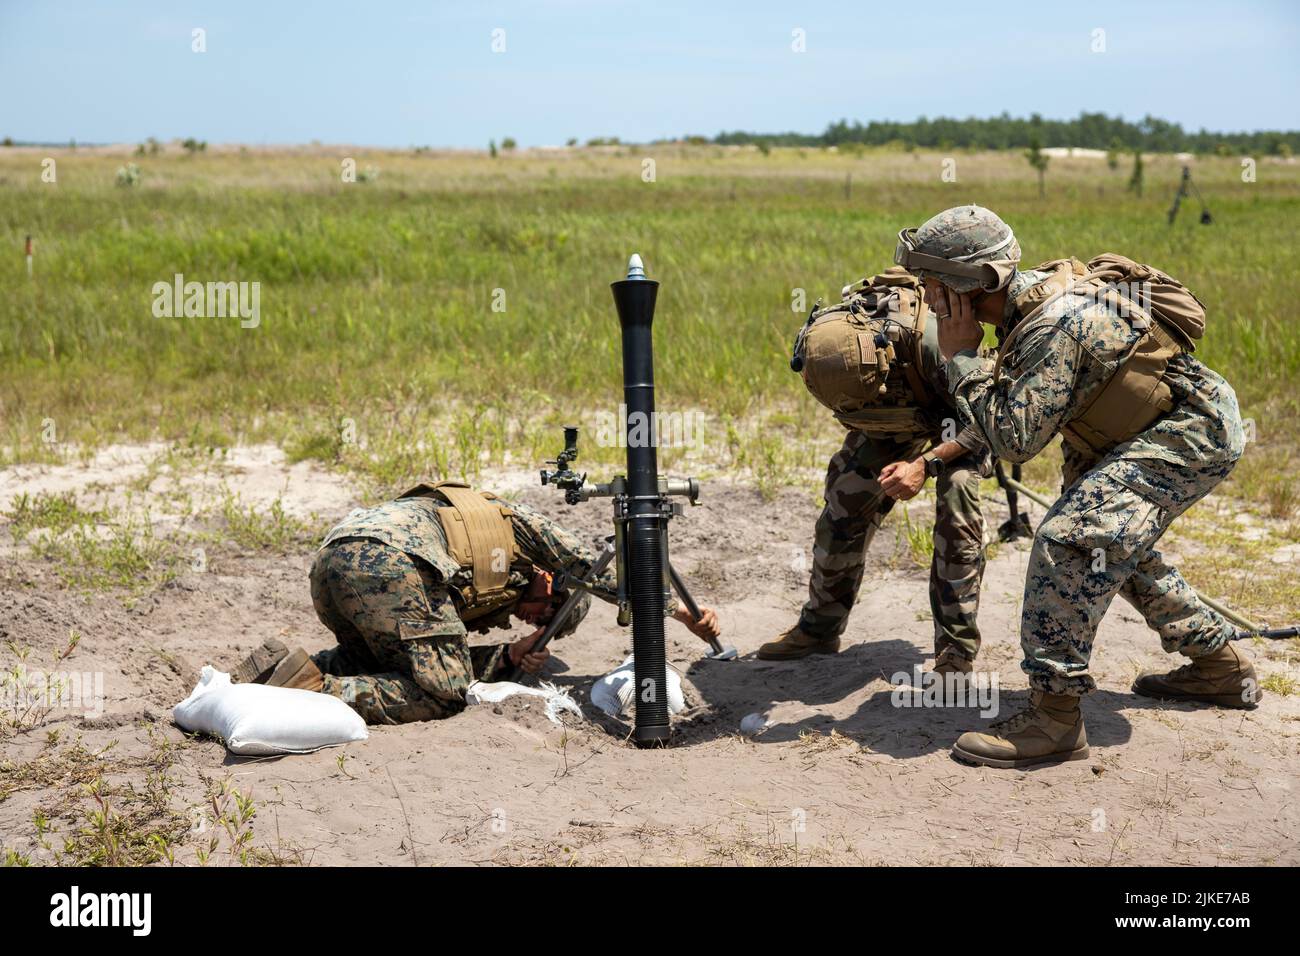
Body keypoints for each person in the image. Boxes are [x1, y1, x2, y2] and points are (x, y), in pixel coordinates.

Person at [894, 204, 1256, 768]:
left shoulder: (1057, 325)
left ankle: (1054, 717)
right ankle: (1219, 668)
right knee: (1116, 548)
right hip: (1124, 433)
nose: (923, 294)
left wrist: (960, 354)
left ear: (971, 286)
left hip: (1187, 433)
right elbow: (1005, 410)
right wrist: (933, 459)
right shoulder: (1023, 305)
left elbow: (1014, 440)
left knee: (1072, 540)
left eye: (931, 283)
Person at [234, 481, 720, 724]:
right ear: (550, 582)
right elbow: (596, 569)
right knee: (444, 694)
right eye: (549, 614)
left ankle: (286, 667)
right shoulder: (518, 524)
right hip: (393, 565)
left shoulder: (477, 549)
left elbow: (438, 643)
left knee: (378, 660)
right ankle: (312, 692)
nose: (535, 620)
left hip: (333, 559)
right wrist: (682, 613)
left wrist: (509, 657)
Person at [759, 267, 991, 683]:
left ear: (882, 364)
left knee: (958, 506)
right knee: (845, 499)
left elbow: (989, 422)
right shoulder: (829, 350)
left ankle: (955, 651)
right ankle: (820, 629)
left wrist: (924, 465)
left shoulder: (933, 346)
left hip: (960, 415)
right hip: (899, 414)